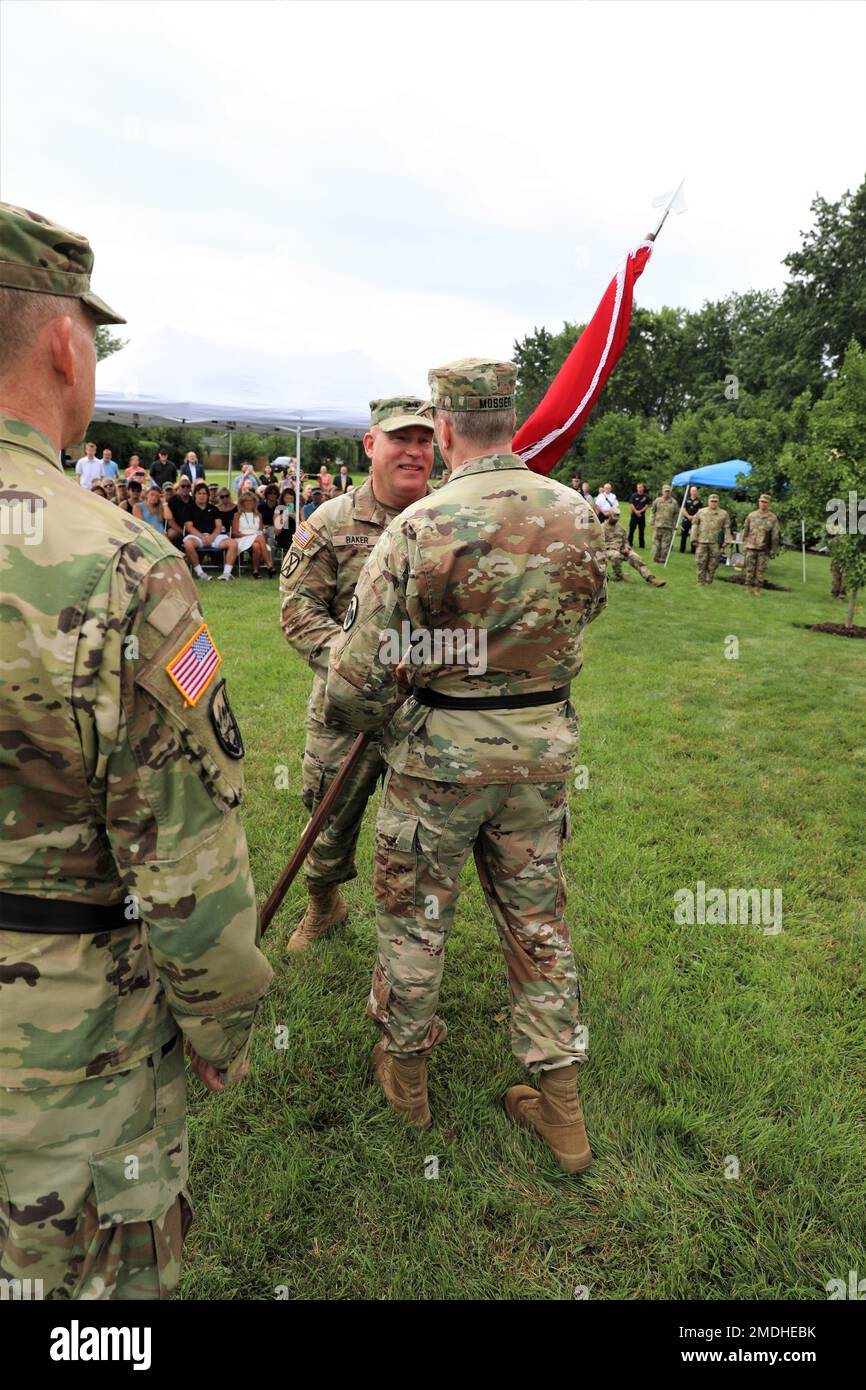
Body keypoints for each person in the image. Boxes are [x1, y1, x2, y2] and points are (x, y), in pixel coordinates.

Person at [0, 200, 271, 1301]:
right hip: (71, 1056)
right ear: (66, 342)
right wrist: (222, 1023)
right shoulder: (115, 568)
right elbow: (187, 863)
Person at [324, 359, 608, 1172]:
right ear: (508, 422)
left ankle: (407, 1082)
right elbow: (580, 620)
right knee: (539, 921)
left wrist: (406, 688)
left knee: (416, 918)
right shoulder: (581, 515)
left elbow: (354, 683)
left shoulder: (417, 527)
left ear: (444, 428)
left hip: (440, 758)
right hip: (539, 757)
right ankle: (561, 1112)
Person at [279, 396, 434, 952]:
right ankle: (324, 905)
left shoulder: (449, 520)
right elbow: (297, 610)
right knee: (326, 816)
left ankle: (408, 932)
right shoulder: (332, 523)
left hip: (427, 711)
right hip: (345, 707)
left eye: (425, 440)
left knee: (419, 830)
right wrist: (356, 665)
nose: (415, 452)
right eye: (401, 439)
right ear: (371, 444)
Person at [182, 480, 238, 581]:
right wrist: (203, 538)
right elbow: (189, 527)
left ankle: (226, 574)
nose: (202, 496)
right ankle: (200, 573)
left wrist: (211, 538)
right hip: (197, 536)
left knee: (233, 543)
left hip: (214, 536)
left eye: (204, 493)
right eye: (199, 493)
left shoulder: (214, 509)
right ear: (195, 495)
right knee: (188, 544)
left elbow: (218, 526)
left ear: (208, 496)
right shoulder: (188, 508)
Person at [603, 509, 666, 586]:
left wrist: (626, 547)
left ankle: (651, 579)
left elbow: (625, 540)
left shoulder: (621, 528)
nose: (615, 521)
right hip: (609, 550)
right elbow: (598, 543)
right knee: (616, 555)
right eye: (613, 519)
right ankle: (618, 576)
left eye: (617, 519)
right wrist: (611, 546)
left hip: (622, 549)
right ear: (609, 516)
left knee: (636, 557)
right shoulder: (602, 528)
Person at [741, 494, 780, 595]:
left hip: (764, 548)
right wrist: (744, 543)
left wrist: (773, 549)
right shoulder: (751, 515)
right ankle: (749, 588)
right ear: (758, 502)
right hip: (751, 547)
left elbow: (775, 535)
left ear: (769, 504)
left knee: (761, 570)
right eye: (761, 501)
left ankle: (758, 589)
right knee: (749, 569)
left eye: (765, 502)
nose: (763, 504)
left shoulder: (772, 518)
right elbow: (745, 530)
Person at [691, 493, 734, 585]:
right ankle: (700, 581)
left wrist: (727, 540)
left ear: (718, 502)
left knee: (713, 563)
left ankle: (708, 580)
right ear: (708, 501)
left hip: (715, 542)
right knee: (700, 561)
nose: (713, 503)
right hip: (702, 541)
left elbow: (727, 527)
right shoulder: (701, 512)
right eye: (712, 501)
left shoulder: (723, 513)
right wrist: (693, 538)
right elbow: (695, 524)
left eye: (715, 501)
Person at [233, 489, 275, 577]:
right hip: (242, 538)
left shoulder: (259, 515)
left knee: (256, 545)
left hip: (257, 539)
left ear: (255, 502)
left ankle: (255, 571)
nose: (249, 502)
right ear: (242, 502)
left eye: (251, 500)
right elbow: (235, 533)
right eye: (246, 501)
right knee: (259, 538)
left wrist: (256, 536)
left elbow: (260, 531)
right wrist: (249, 535)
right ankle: (269, 566)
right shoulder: (237, 515)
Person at [650, 484, 679, 562]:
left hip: (668, 527)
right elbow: (653, 511)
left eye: (668, 492)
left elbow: (676, 514)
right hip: (658, 525)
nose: (667, 493)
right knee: (656, 544)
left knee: (665, 545)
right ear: (662, 492)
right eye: (665, 491)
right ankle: (655, 559)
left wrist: (675, 524)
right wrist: (652, 522)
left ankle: (663, 560)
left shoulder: (674, 502)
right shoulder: (657, 500)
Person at [166, 475, 194, 543]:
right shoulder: (172, 501)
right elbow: (170, 521)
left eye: (188, 486)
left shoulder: (194, 500)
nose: (185, 488)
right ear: (178, 488)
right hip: (176, 528)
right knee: (172, 534)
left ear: (190, 489)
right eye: (183, 486)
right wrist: (183, 533)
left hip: (191, 528)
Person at [274, 485, 296, 552]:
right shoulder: (278, 510)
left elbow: (304, 527)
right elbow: (277, 532)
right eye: (287, 498)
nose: (289, 501)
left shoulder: (298, 509)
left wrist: (295, 518)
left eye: (291, 498)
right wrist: (284, 515)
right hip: (283, 537)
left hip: (295, 537)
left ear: (294, 499)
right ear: (283, 499)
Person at [627, 481, 649, 548]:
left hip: (642, 516)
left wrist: (640, 511)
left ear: (643, 488)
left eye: (641, 487)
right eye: (638, 487)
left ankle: (641, 546)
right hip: (634, 516)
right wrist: (636, 511)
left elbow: (647, 505)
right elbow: (631, 504)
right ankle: (629, 544)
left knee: (641, 531)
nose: (640, 488)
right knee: (631, 530)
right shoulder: (634, 495)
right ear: (637, 488)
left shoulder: (646, 496)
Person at [680, 485, 701, 553]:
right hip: (686, 519)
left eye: (695, 491)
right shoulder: (686, 500)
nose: (694, 492)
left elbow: (700, 510)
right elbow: (683, 509)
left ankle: (693, 550)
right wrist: (688, 516)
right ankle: (682, 549)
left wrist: (694, 516)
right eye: (692, 491)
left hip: (695, 520)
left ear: (696, 492)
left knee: (694, 535)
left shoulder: (699, 501)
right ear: (690, 492)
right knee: (684, 535)